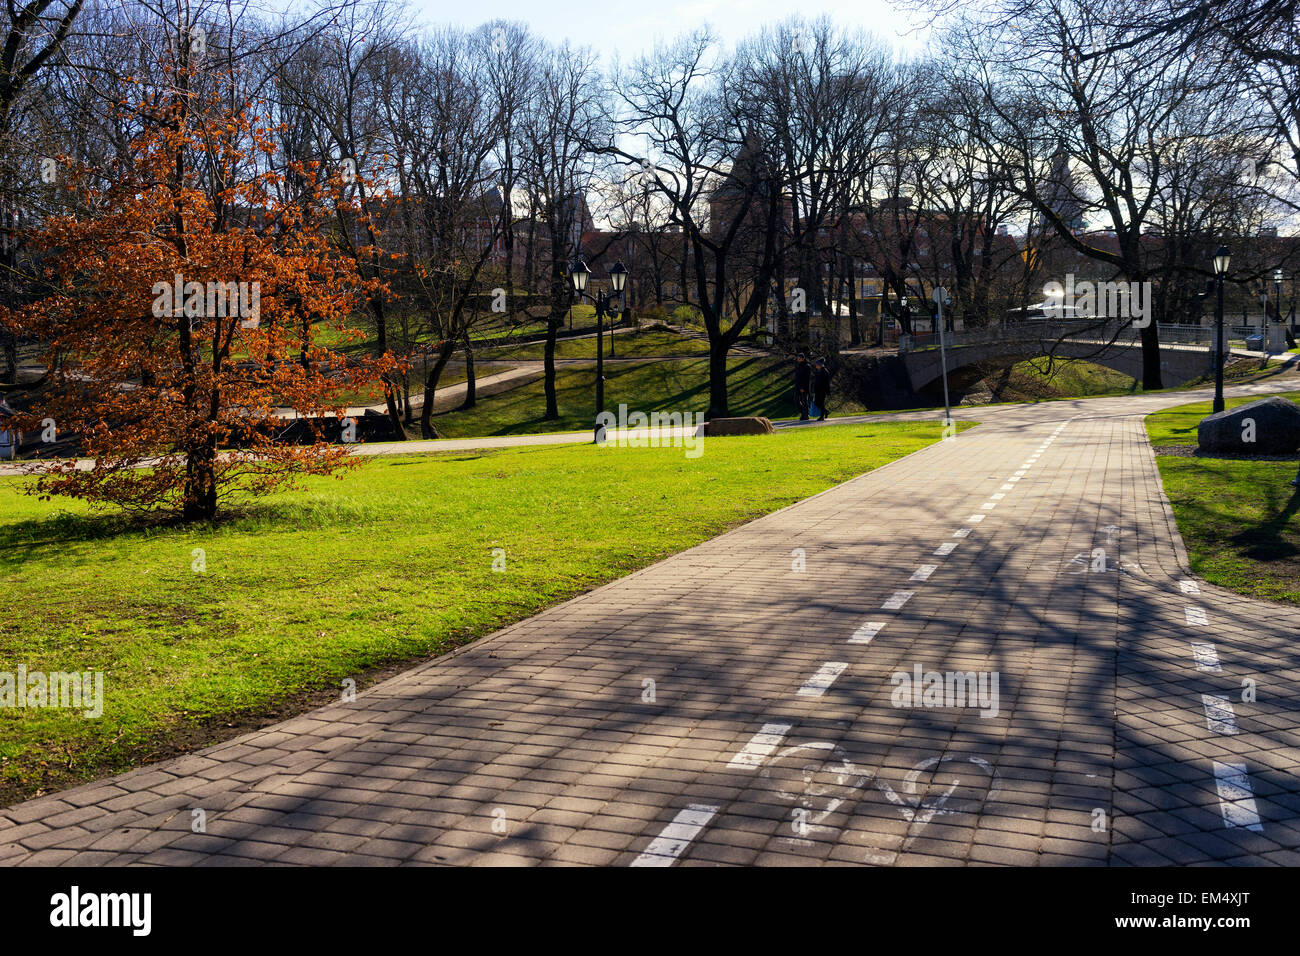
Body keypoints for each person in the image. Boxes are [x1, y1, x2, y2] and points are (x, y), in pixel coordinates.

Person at [793, 351, 811, 420]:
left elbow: (806, 378)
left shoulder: (807, 366)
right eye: (798, 358)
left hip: (804, 387)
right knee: (796, 400)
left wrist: (803, 387)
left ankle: (806, 415)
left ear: (803, 358)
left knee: (804, 401)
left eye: (799, 358)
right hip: (797, 386)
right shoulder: (798, 365)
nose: (798, 359)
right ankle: (803, 413)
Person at [812, 357, 831, 421]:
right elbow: (815, 381)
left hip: (823, 390)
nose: (816, 365)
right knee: (816, 402)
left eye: (817, 364)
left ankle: (822, 416)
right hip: (817, 390)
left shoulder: (825, 372)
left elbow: (827, 382)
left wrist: (828, 391)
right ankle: (825, 411)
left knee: (821, 402)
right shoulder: (817, 371)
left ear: (820, 365)